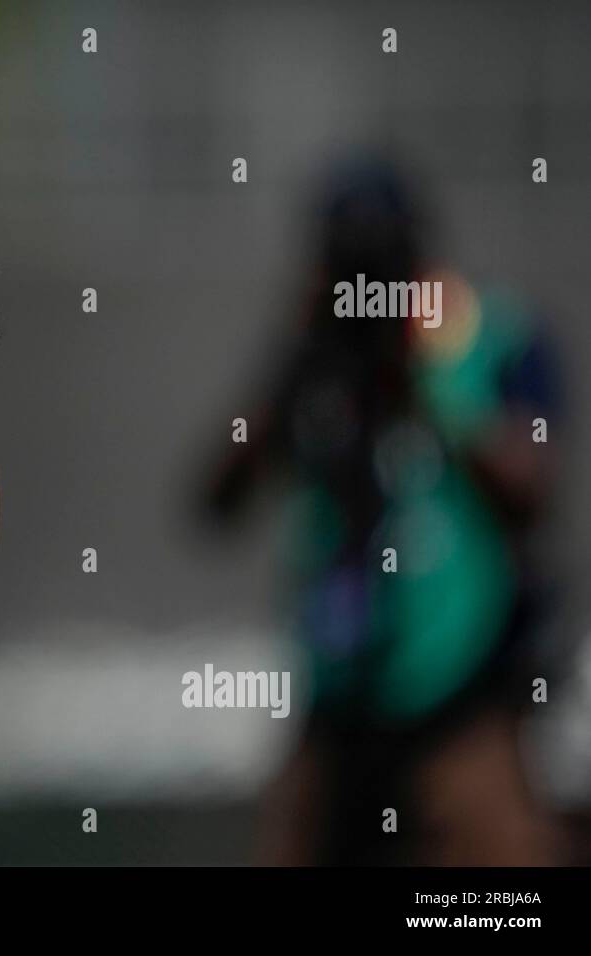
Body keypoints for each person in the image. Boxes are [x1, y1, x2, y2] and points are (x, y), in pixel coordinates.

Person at [201, 155, 561, 864]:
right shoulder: (313, 360)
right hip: (336, 707)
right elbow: (216, 503)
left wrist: (433, 381)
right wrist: (291, 374)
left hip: (460, 697)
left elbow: (531, 495)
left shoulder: (489, 337)